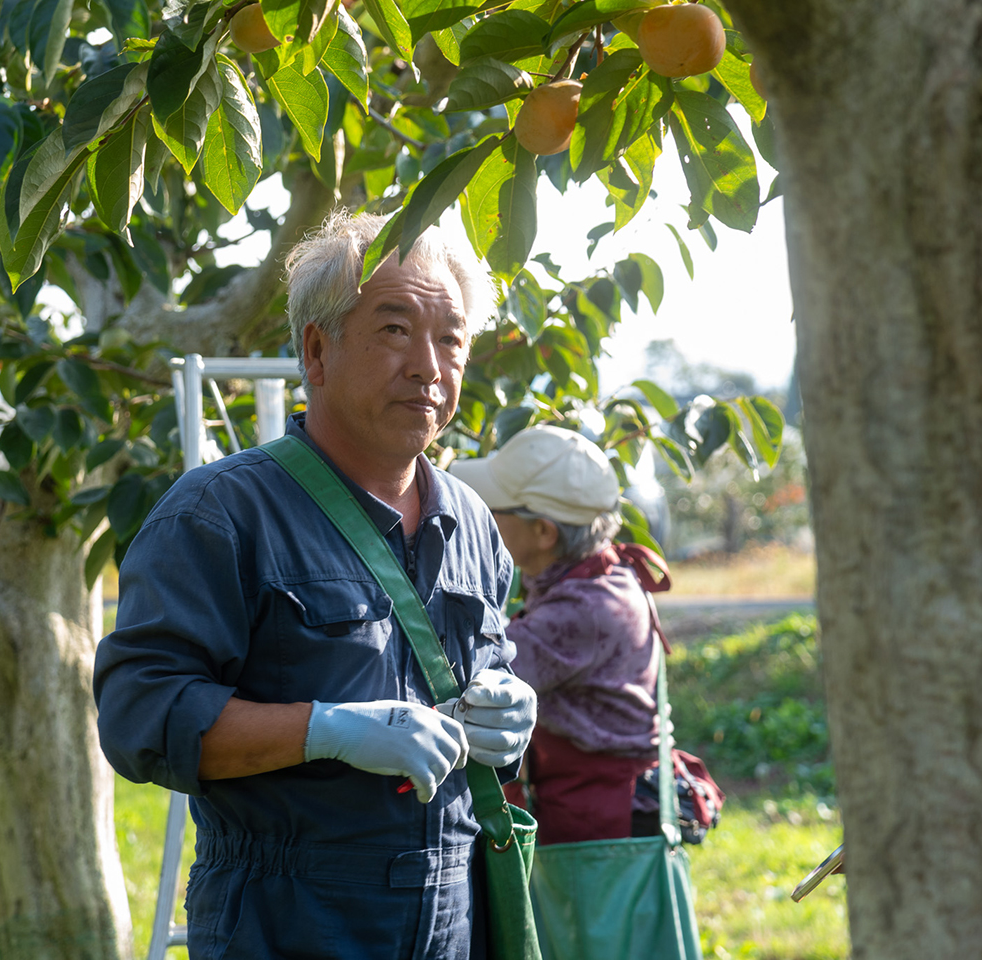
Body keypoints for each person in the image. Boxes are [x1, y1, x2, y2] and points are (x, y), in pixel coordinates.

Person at [93, 213, 538, 959]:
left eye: (451, 338)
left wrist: (509, 713)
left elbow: (488, 667)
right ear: (317, 350)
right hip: (291, 919)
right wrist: (324, 729)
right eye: (396, 330)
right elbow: (141, 714)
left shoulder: (469, 520)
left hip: (452, 918)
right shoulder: (223, 514)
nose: (429, 366)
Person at [449, 425, 671, 846]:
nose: (482, 517)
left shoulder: (578, 613)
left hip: (596, 820)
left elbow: (475, 678)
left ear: (544, 533)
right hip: (589, 800)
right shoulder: (601, 579)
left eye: (494, 510)